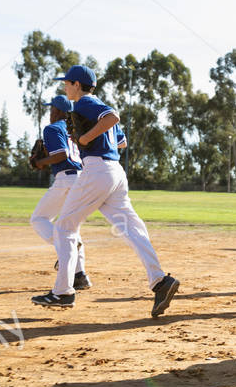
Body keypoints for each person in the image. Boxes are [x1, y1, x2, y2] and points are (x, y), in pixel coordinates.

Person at [30, 65, 179, 317]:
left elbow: (113, 117)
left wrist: (87, 138)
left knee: (65, 228)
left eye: (67, 83)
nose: (65, 86)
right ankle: (160, 281)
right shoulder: (88, 105)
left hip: (97, 170)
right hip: (114, 171)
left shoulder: (84, 103)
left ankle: (63, 292)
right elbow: (121, 141)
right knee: (133, 228)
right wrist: (93, 136)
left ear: (77, 85)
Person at [29, 94, 88, 291]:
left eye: (52, 109)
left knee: (38, 218)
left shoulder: (53, 128)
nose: (50, 113)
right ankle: (80, 276)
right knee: (72, 227)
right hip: (82, 179)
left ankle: (67, 245)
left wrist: (39, 162)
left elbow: (61, 155)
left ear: (58, 111)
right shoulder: (74, 131)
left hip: (66, 180)